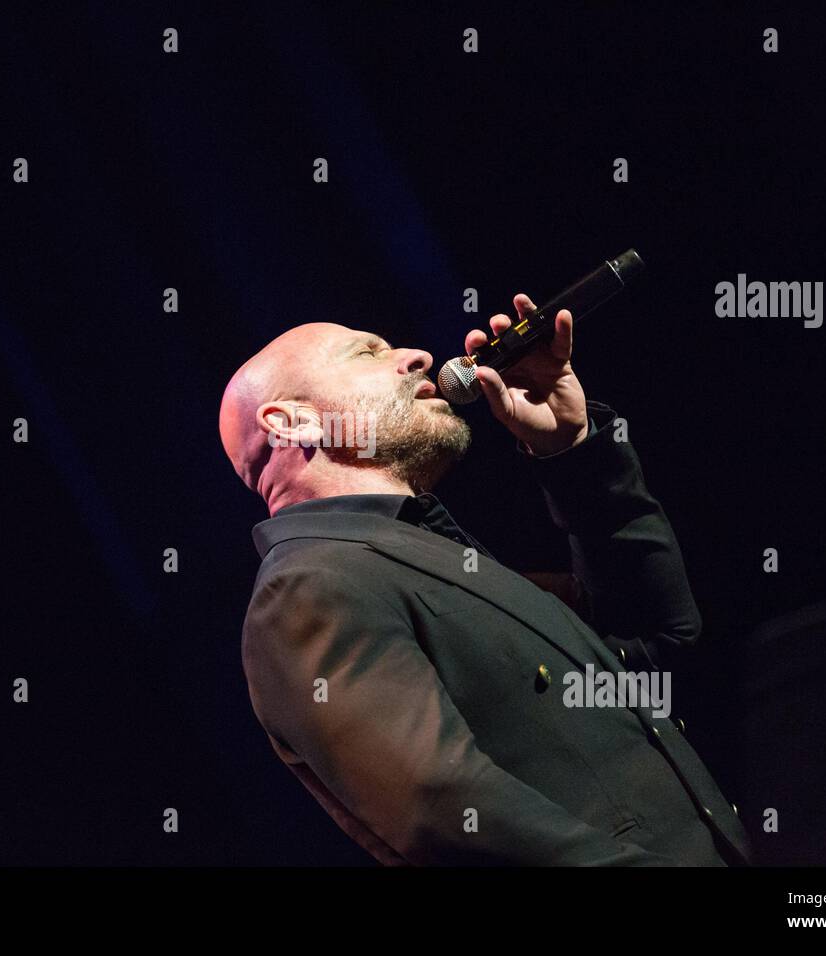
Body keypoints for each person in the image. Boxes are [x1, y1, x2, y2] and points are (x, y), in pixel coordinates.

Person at [218, 295, 752, 865]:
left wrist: (570, 454)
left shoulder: (430, 558)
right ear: (289, 422)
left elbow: (655, 644)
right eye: (367, 352)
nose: (418, 356)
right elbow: (445, 808)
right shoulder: (307, 587)